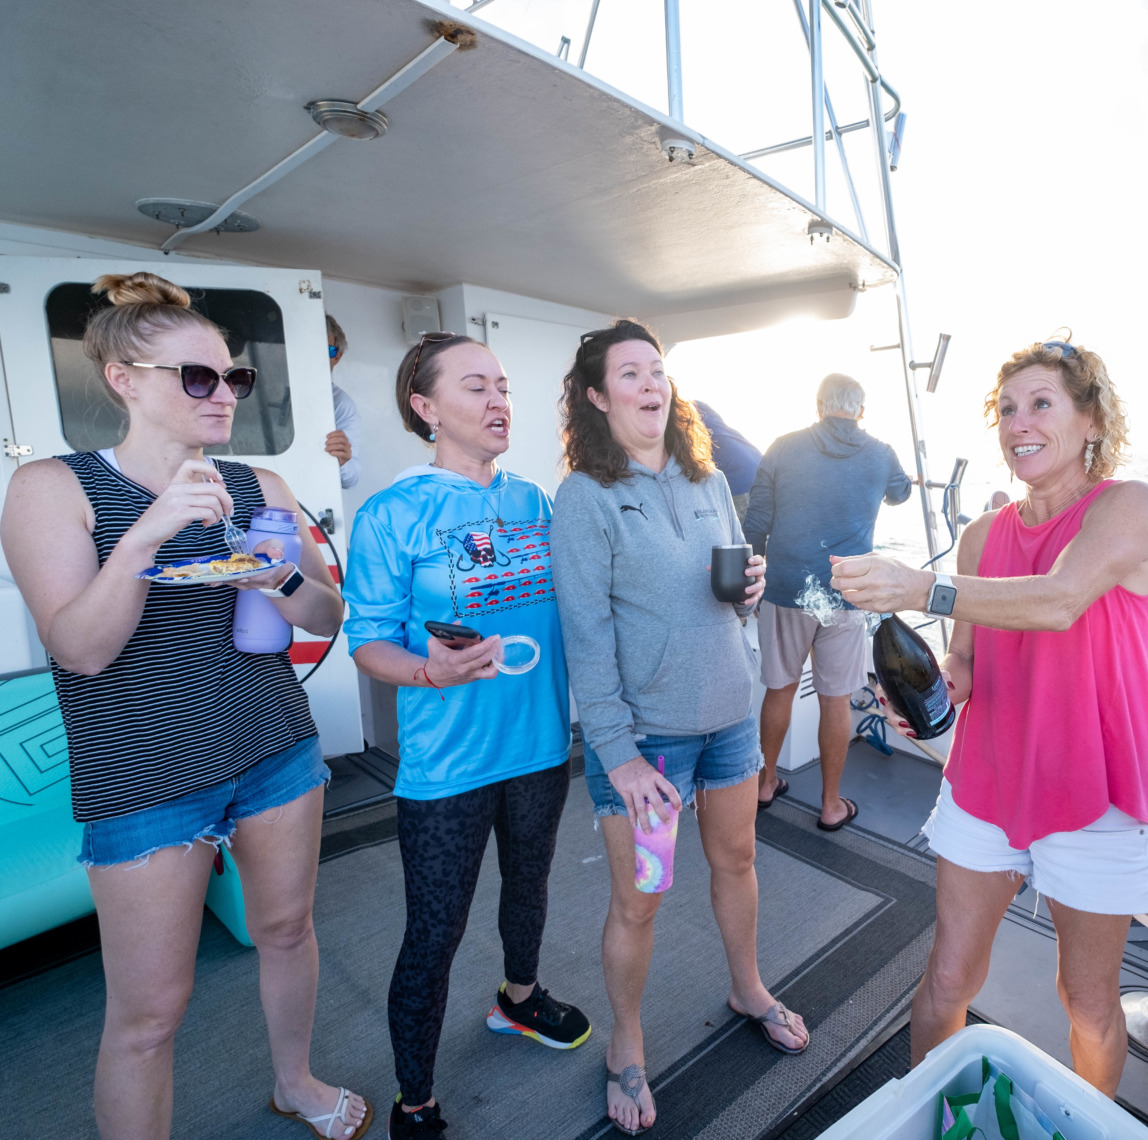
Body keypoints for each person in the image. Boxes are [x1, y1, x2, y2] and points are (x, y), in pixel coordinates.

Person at [0, 273, 364, 1140]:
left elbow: (324, 614)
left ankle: (297, 1083)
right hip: (146, 777)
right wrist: (151, 530)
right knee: (149, 1013)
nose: (224, 395)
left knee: (285, 929)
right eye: (195, 377)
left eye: (232, 378)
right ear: (124, 378)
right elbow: (80, 648)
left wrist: (275, 574)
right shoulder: (54, 488)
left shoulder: (261, 485)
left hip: (273, 744)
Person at [831, 337, 1148, 1097]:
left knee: (1086, 1003)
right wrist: (929, 689)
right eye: (1009, 409)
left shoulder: (1129, 506)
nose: (1021, 422)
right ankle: (923, 1111)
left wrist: (922, 587)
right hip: (985, 781)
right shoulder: (982, 536)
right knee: (949, 977)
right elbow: (968, 665)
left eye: (1042, 403)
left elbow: (1058, 597)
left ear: (1091, 421)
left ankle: (1090, 1123)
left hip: (1093, 792)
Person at [552, 319, 808, 1136]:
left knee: (737, 860)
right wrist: (618, 755)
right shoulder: (586, 498)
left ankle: (748, 986)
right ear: (597, 397)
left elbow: (733, 590)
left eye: (656, 370)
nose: (650, 384)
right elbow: (585, 635)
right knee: (644, 899)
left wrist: (747, 588)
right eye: (629, 373)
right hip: (650, 744)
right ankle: (625, 1043)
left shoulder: (706, 480)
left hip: (730, 721)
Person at [344, 332, 589, 1140]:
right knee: (434, 932)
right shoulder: (390, 513)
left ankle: (519, 1000)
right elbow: (371, 641)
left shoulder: (535, 500)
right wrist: (429, 673)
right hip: (448, 765)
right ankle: (415, 1103)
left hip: (542, 747)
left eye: (505, 386)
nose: (498, 401)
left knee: (530, 888)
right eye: (476, 386)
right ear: (425, 407)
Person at [743, 373, 913, 828]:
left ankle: (765, 783)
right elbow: (901, 492)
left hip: (786, 589)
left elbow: (756, 521)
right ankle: (831, 804)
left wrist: (750, 582)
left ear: (819, 406)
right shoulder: (880, 452)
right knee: (836, 700)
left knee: (778, 689)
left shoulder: (782, 446)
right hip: (845, 592)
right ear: (860, 409)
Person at [693, 400, 761, 524]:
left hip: (740, 486)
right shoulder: (698, 407)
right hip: (760, 474)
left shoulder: (700, 436)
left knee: (740, 535)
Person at [324, 314, 363, 489]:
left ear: (337, 356)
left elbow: (351, 478)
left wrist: (342, 461)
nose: (316, 358)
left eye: (326, 351)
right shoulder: (267, 389)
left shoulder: (340, 404)